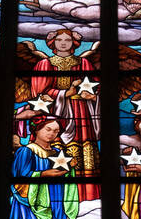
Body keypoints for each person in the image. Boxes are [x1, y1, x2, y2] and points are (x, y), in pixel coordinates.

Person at [21, 28, 100, 200]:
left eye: (67, 40)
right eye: (59, 40)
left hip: (82, 113)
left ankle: (87, 197)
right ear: (52, 43)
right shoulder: (45, 64)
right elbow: (40, 93)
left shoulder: (84, 63)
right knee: (56, 147)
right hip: (56, 113)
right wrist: (65, 94)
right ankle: (56, 198)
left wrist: (91, 96)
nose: (63, 43)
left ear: (74, 44)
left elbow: (96, 87)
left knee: (83, 152)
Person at [10, 116, 80, 219]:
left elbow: (64, 173)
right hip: (30, 202)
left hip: (55, 196)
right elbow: (19, 178)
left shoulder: (57, 152)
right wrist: (42, 175)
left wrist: (70, 168)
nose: (52, 134)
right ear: (36, 129)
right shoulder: (26, 151)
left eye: (56, 131)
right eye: (48, 129)